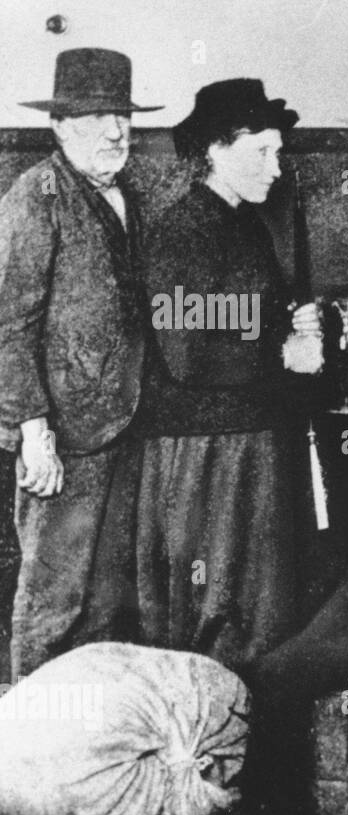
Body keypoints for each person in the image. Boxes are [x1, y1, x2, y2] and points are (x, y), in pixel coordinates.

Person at [135, 78, 321, 672]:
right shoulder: (184, 230)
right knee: (219, 609)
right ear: (215, 150)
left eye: (279, 151)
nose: (276, 166)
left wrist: (293, 323)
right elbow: (186, 354)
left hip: (250, 439)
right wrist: (281, 354)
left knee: (257, 610)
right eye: (262, 151)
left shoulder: (244, 224)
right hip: (211, 451)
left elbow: (240, 322)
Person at [0, 49, 160, 680]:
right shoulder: (35, 196)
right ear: (61, 127)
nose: (117, 131)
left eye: (122, 115)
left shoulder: (126, 198)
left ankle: (89, 748)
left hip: (121, 431)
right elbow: (8, 326)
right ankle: (29, 756)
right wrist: (34, 433)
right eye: (97, 117)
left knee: (103, 603)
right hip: (62, 442)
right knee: (52, 601)